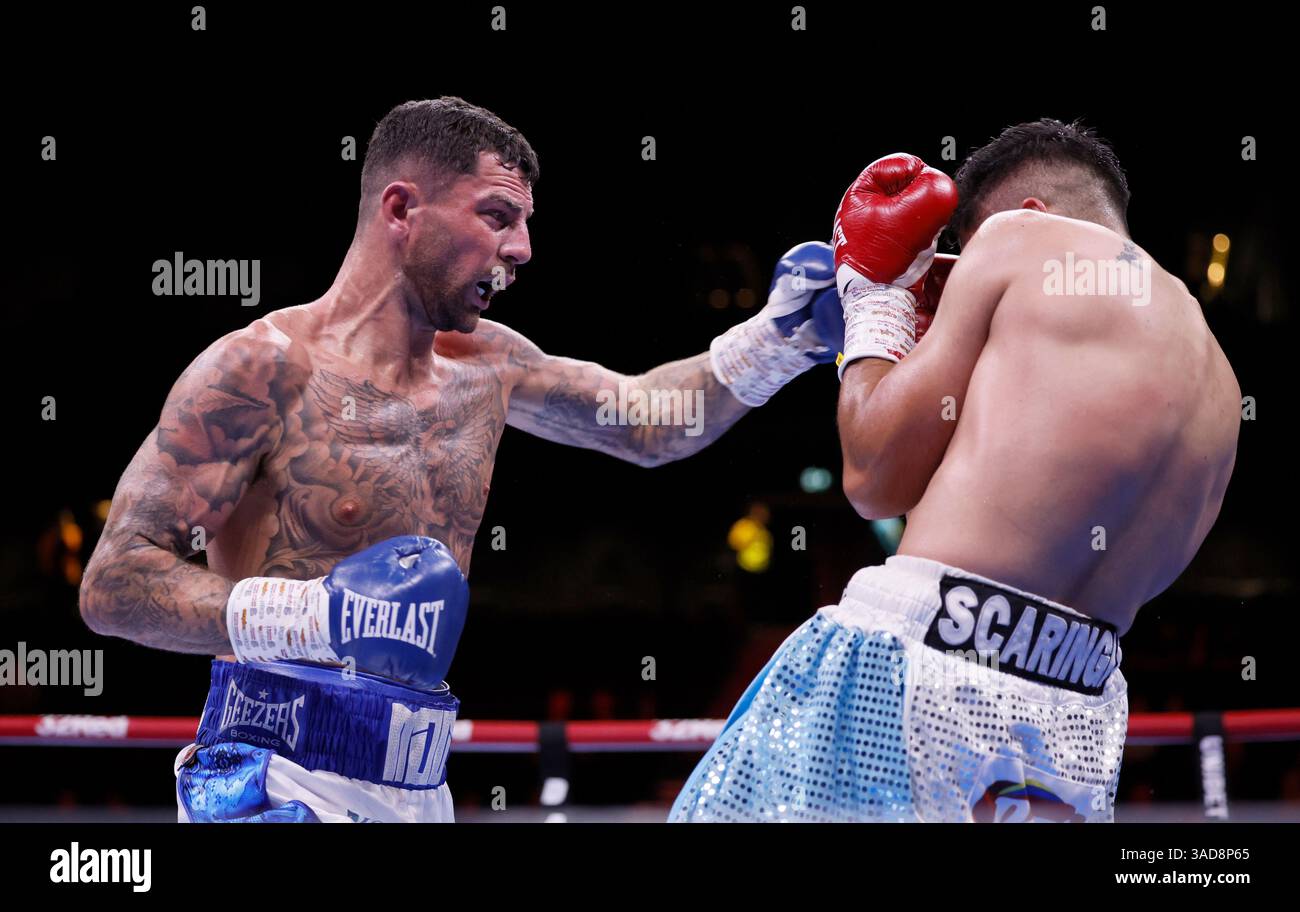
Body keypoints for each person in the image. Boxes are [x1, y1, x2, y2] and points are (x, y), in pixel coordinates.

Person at [78, 96, 842, 822]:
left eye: (524, 223)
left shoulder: (488, 365)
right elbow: (114, 583)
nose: (522, 249)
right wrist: (315, 618)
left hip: (417, 782)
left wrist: (777, 343)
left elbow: (647, 421)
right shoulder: (261, 370)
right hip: (274, 771)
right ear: (402, 210)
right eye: (497, 216)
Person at [671, 120, 1240, 823]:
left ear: (1025, 215)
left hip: (914, 666)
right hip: (1078, 719)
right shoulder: (1218, 379)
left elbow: (874, 475)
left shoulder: (1016, 241)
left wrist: (875, 302)